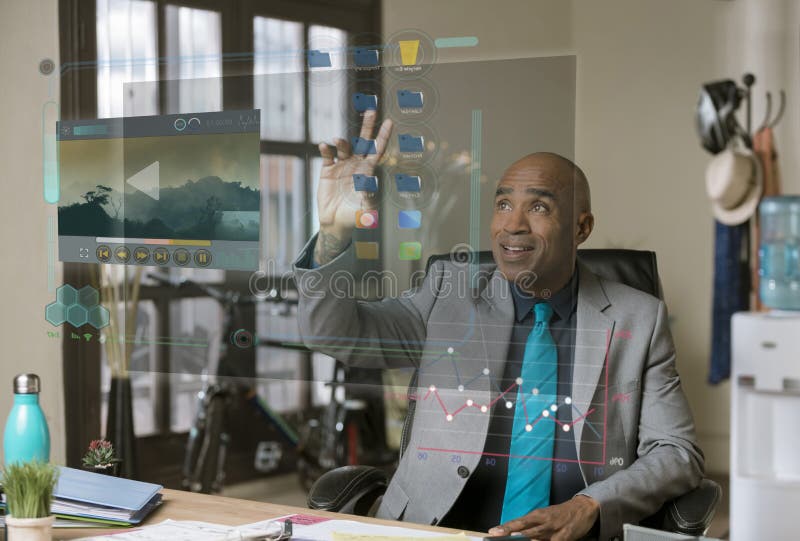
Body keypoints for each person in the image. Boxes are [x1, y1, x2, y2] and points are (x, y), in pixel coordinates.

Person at [293, 111, 704, 541]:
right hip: (439, 531)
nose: (513, 225)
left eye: (539, 207)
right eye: (504, 204)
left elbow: (676, 451)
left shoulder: (638, 319)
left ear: (581, 228)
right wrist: (332, 237)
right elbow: (331, 333)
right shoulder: (447, 295)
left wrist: (589, 505)